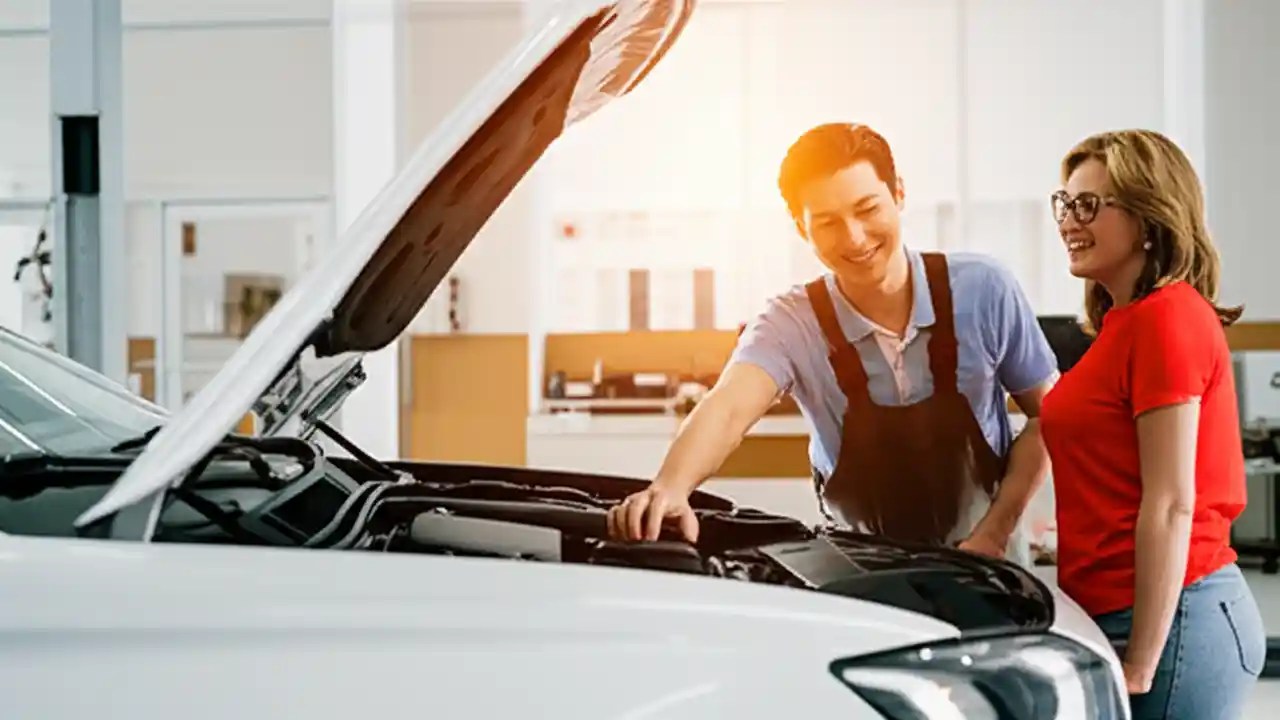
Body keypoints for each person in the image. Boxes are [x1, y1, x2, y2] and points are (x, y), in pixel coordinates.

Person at [606, 122, 1059, 566]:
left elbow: (1050, 417)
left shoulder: (984, 289)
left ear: (899, 193)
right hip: (861, 577)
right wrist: (670, 487)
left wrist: (995, 532)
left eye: (868, 209)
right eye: (827, 222)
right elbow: (727, 409)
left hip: (991, 568)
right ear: (801, 228)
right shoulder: (790, 322)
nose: (854, 238)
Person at [1038, 129, 1265, 718]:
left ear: (1148, 217)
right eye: (1065, 204)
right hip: (1123, 614)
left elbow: (1171, 503)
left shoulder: (1167, 318)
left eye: (1089, 205)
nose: (1069, 222)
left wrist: (1141, 661)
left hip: (1173, 621)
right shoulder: (1123, 325)